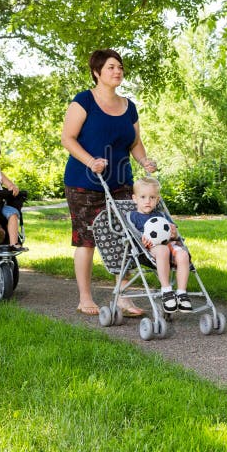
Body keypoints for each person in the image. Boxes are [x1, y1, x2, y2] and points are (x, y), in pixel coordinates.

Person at [61, 48, 157, 317]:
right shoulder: (84, 101)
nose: (117, 71)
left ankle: (123, 297)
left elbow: (135, 143)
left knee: (125, 238)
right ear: (97, 72)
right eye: (111, 67)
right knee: (87, 240)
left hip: (121, 182)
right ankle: (85, 297)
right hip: (84, 181)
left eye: (120, 67)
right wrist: (91, 160)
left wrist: (144, 162)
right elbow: (67, 138)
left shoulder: (129, 106)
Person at [129, 176, 192, 313]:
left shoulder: (162, 215)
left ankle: (181, 293)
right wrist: (142, 239)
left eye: (152, 197)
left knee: (183, 254)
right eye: (143, 197)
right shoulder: (133, 216)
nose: (147, 201)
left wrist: (174, 233)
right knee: (163, 250)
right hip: (149, 250)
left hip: (169, 245)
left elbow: (174, 232)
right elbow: (133, 235)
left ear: (157, 200)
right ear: (135, 199)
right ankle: (167, 290)